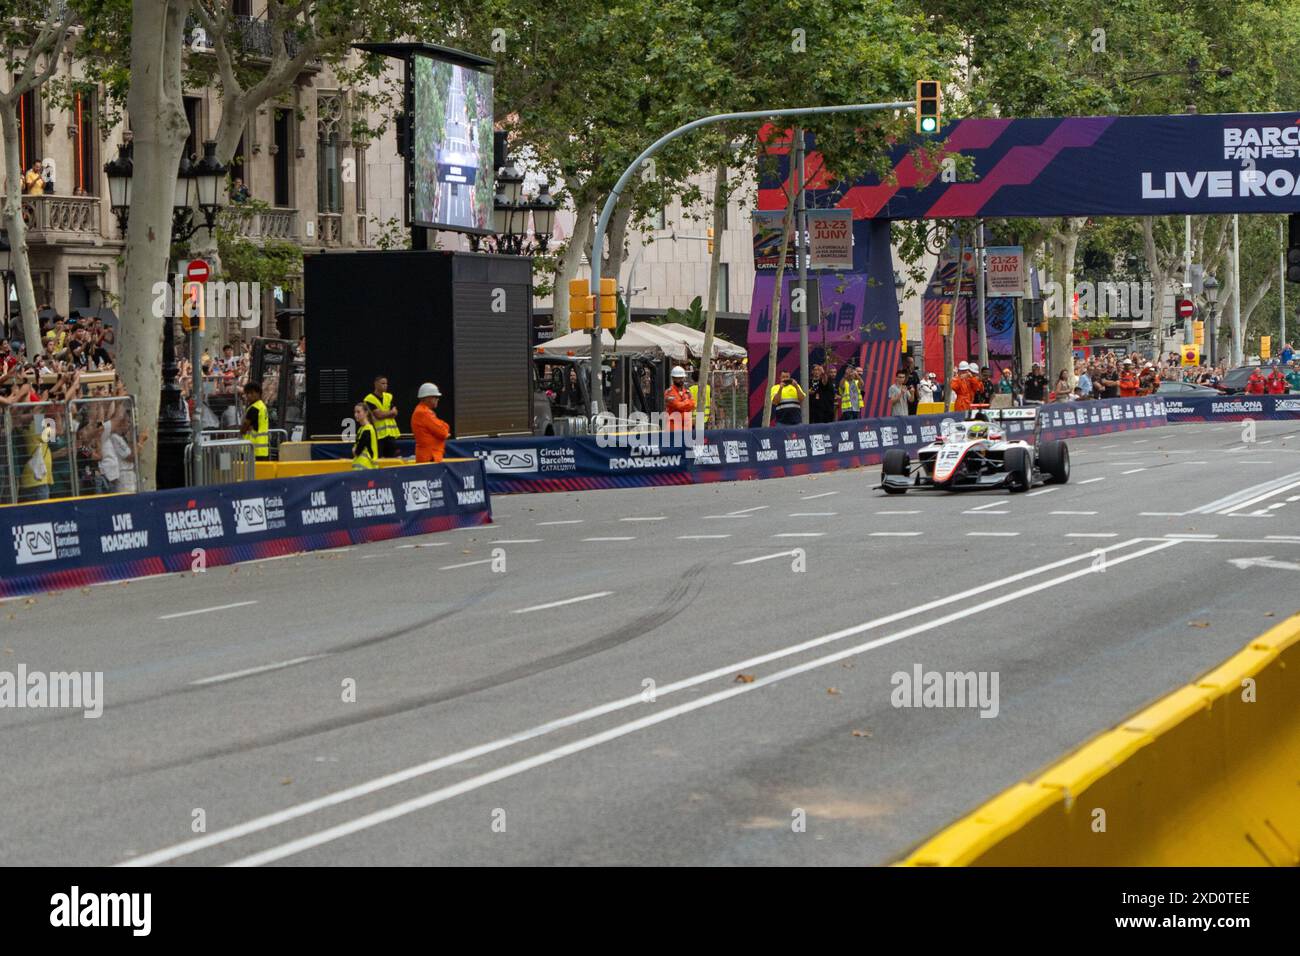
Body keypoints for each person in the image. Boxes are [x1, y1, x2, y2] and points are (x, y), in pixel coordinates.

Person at [411, 382, 450, 463]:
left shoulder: (423, 411)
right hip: (430, 457)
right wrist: (444, 427)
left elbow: (443, 428)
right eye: (435, 397)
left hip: (430, 457)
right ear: (427, 398)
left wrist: (444, 426)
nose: (437, 399)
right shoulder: (424, 413)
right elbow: (443, 432)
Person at [364, 375, 400, 458]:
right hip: (377, 435)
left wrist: (386, 413)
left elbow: (395, 412)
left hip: (390, 434)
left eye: (386, 383)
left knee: (391, 460)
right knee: (378, 459)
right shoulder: (369, 399)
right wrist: (390, 413)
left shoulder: (389, 396)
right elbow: (378, 415)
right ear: (376, 384)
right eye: (383, 383)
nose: (385, 385)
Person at [240, 381, 270, 459]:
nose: (249, 396)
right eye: (247, 394)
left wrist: (242, 430)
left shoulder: (254, 408)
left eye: (252, 393)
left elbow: (244, 427)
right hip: (262, 449)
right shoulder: (262, 406)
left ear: (259, 393)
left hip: (252, 449)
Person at [664, 365, 696, 431]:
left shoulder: (686, 391)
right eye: (678, 378)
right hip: (674, 428)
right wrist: (687, 402)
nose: (681, 380)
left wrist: (683, 403)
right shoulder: (669, 392)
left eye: (682, 378)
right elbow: (678, 406)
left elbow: (693, 404)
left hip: (686, 427)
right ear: (673, 378)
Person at [351, 402, 379, 470]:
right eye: (355, 412)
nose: (356, 415)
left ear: (366, 413)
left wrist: (355, 450)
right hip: (361, 467)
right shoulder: (361, 429)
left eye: (358, 412)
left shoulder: (368, 429)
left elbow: (357, 450)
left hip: (367, 467)